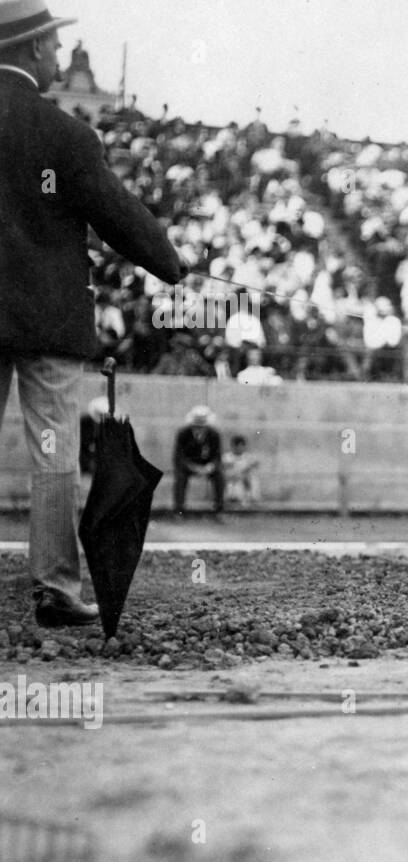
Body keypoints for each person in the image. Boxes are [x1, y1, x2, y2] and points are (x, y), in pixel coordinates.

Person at [0, 1, 185, 628]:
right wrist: (173, 265)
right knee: (53, 452)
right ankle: (53, 586)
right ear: (31, 51)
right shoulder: (64, 134)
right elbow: (120, 217)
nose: (59, 55)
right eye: (53, 46)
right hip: (45, 321)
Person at [173, 406, 224, 519]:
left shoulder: (214, 434)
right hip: (189, 466)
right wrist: (192, 467)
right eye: (196, 426)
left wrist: (210, 467)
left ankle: (219, 510)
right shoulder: (183, 433)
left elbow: (217, 456)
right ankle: (179, 510)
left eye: (202, 426)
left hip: (207, 465)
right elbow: (179, 456)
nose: (199, 429)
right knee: (180, 477)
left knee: (219, 476)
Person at [223, 435, 260, 508]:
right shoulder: (226, 457)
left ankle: (250, 500)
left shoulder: (248, 457)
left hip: (244, 481)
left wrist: (245, 473)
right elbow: (226, 473)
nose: (239, 448)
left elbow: (253, 468)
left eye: (241, 446)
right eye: (236, 446)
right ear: (232, 446)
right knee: (234, 485)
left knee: (252, 480)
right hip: (232, 481)